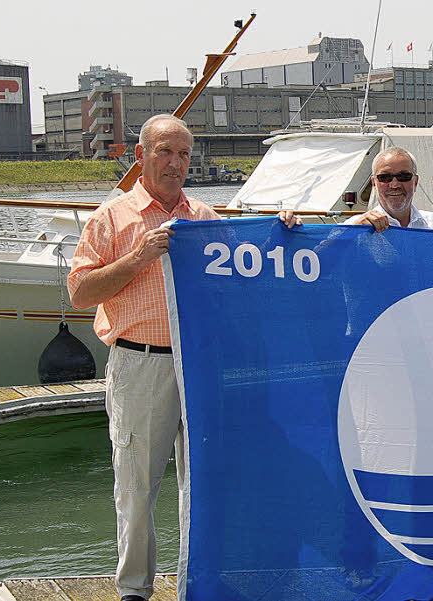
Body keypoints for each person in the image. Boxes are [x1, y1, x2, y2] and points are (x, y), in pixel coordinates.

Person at [66, 114, 302, 601]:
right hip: (141, 365)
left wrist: (282, 232)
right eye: (165, 152)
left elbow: (249, 273)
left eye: (183, 154)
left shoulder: (205, 219)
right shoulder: (112, 218)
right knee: (136, 486)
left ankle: (199, 582)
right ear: (141, 156)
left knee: (206, 482)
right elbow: (80, 292)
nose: (175, 164)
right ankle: (134, 589)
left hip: (201, 368)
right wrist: (138, 257)